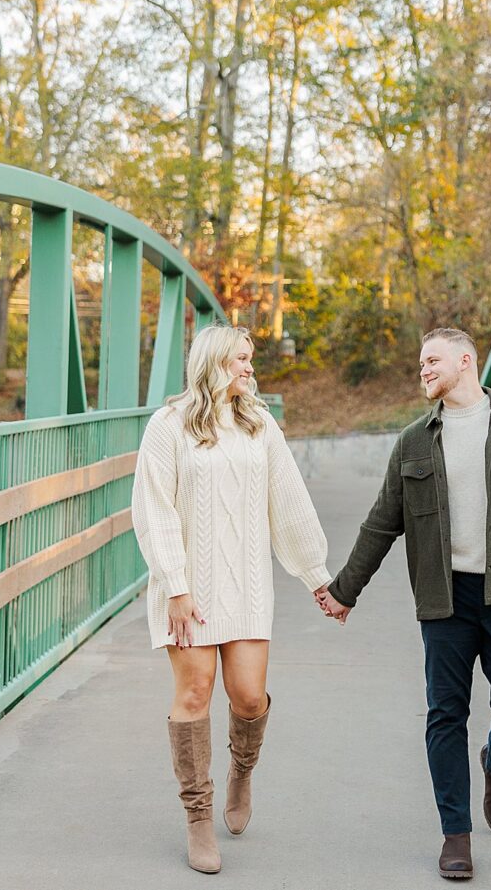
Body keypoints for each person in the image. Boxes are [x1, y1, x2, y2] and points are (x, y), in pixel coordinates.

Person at [316, 327, 491, 880]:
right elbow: (381, 522)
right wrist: (345, 589)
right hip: (446, 597)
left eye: (432, 360)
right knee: (446, 714)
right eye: (420, 363)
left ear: (465, 361)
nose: (423, 370)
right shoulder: (414, 442)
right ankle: (456, 836)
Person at [131, 324, 333, 874]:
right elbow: (155, 509)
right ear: (214, 362)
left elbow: (287, 500)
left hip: (244, 585)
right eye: (241, 359)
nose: (250, 367)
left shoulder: (259, 423)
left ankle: (241, 770)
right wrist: (175, 585)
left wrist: (316, 575)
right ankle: (198, 818)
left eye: (250, 359)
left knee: (248, 696)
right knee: (195, 693)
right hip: (187, 589)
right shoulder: (168, 425)